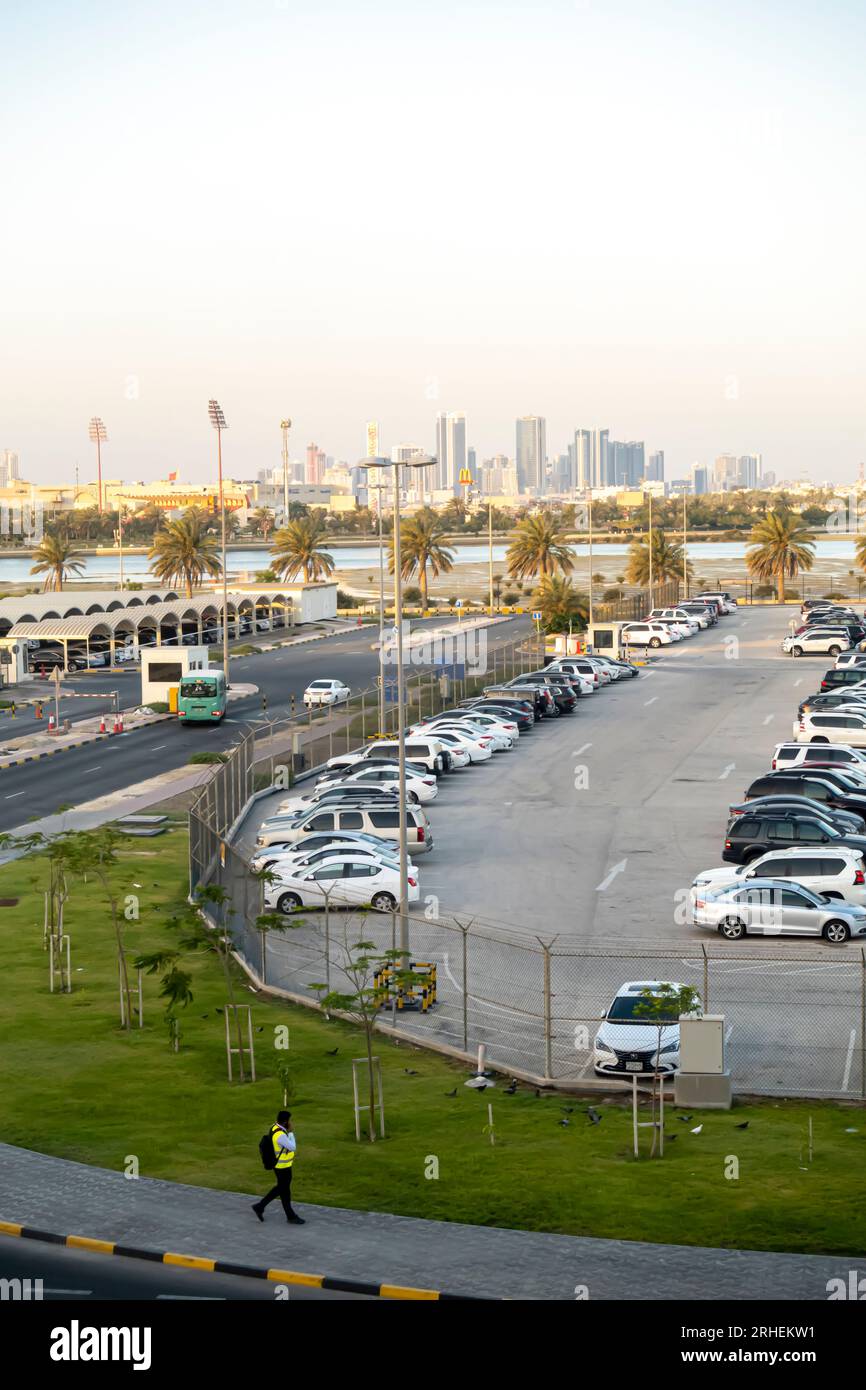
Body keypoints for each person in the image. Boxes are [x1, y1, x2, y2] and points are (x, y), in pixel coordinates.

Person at [252, 1110, 305, 1225]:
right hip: (282, 1167)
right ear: (286, 1122)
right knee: (281, 1189)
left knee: (284, 1190)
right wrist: (290, 1133)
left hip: (281, 1165)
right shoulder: (280, 1135)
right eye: (290, 1121)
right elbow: (292, 1147)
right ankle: (260, 1206)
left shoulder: (274, 1127)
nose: (291, 1123)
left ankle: (290, 1215)